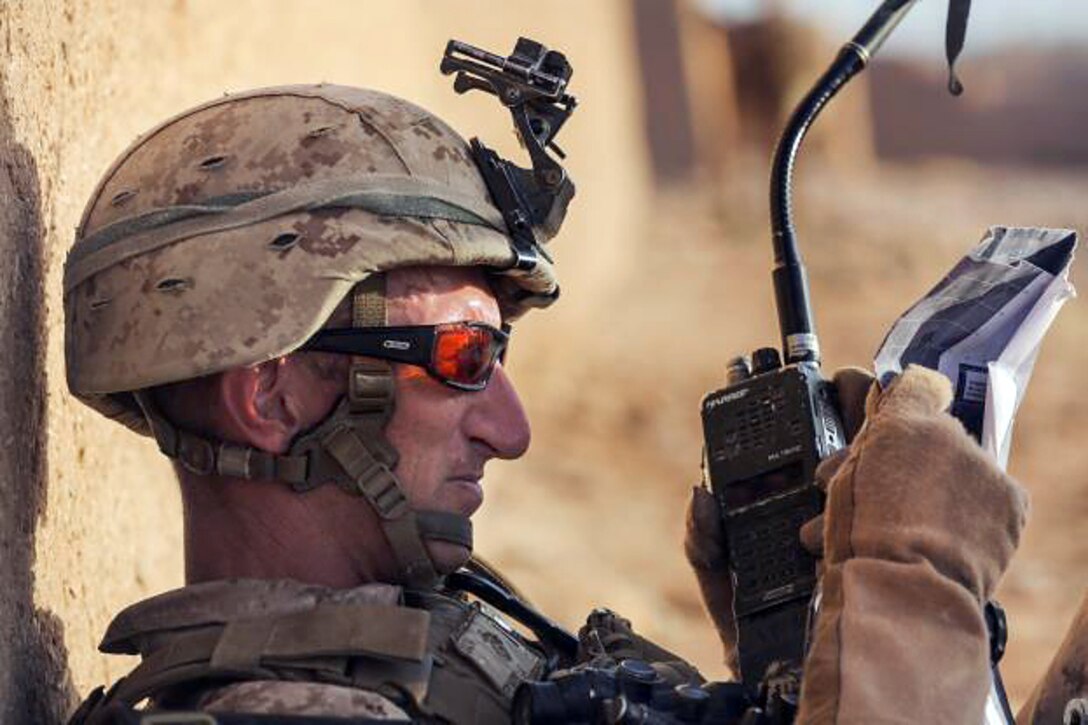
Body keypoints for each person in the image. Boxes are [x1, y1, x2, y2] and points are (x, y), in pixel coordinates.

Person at [64, 82, 1029, 725]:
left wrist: (796, 645)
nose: (512, 430)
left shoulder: (421, 647)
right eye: (462, 356)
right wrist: (914, 582)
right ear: (269, 395)